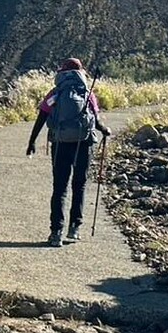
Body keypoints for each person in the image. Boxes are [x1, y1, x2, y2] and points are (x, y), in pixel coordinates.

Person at [25, 58, 112, 246]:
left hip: (60, 144)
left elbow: (42, 117)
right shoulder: (87, 93)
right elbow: (96, 122)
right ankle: (74, 228)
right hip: (84, 143)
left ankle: (56, 232)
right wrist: (105, 130)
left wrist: (32, 141)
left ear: (62, 73)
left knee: (60, 188)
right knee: (79, 185)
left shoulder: (56, 93)